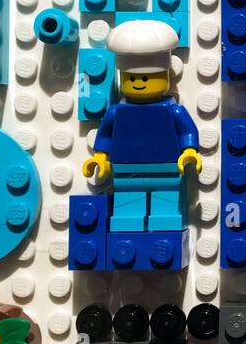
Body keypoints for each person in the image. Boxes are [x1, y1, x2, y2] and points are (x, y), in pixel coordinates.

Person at [82, 19, 202, 233]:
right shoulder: (117, 111)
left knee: (165, 200)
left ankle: (166, 223)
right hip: (126, 167)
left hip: (166, 165)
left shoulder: (173, 109)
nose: (139, 82)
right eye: (132, 77)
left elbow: (187, 131)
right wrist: (100, 156)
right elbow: (106, 136)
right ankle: (126, 224)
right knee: (128, 199)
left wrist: (190, 150)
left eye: (147, 77)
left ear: (165, 74)